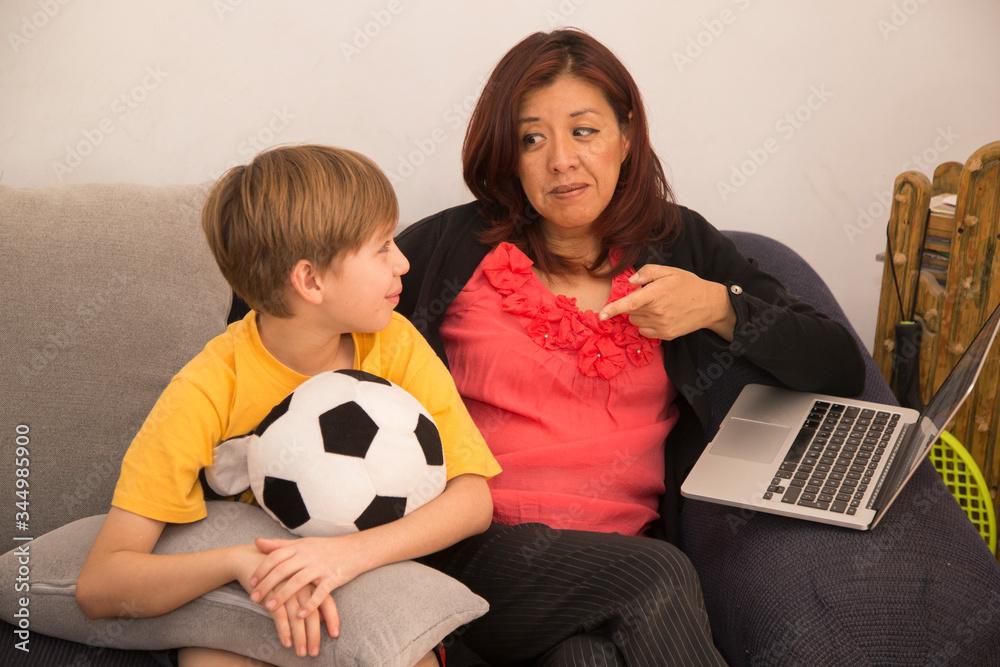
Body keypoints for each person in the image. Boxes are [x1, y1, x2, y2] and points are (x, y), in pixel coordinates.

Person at [395, 29, 866, 666]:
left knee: (585, 660)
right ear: (507, 155)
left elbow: (837, 364)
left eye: (584, 131)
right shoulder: (449, 249)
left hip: (610, 563)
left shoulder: (680, 244)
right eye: (532, 138)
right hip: (480, 551)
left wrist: (717, 306)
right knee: (659, 575)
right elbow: (290, 316)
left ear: (626, 135)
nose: (560, 159)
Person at [75, 145, 502, 667]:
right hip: (256, 603)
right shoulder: (208, 388)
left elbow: (474, 501)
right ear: (311, 281)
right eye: (383, 246)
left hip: (372, 583)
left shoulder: (396, 344)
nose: (404, 262)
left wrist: (343, 558)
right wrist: (239, 563)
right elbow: (102, 583)